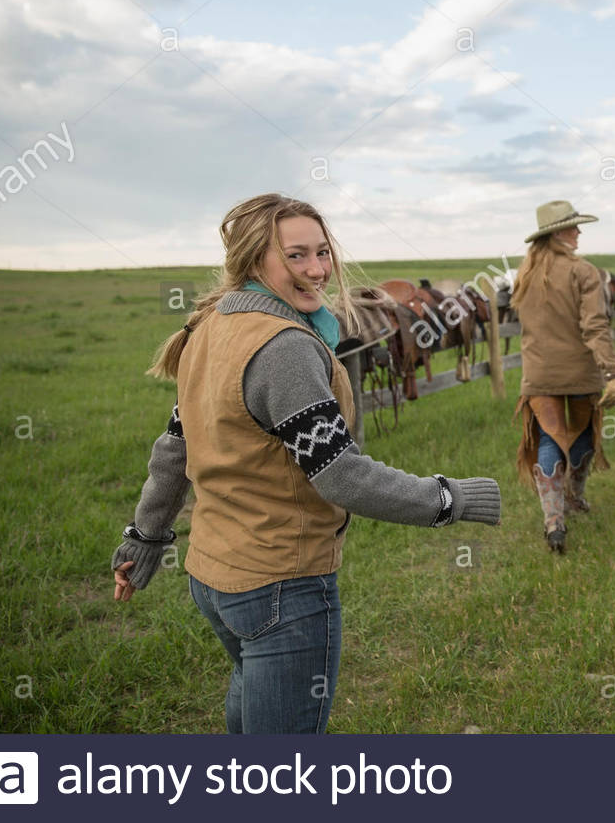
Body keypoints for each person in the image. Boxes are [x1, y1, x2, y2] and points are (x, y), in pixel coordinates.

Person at [110, 194, 502, 734]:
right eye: (296, 256)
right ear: (253, 260)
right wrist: (451, 497)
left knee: (250, 710)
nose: (317, 269)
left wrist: (146, 536)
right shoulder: (285, 347)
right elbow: (340, 474)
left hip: (215, 575)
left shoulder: (208, 327)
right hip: (279, 583)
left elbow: (176, 446)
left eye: (322, 252)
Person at [512, 200, 615, 553]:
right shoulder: (584, 272)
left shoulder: (525, 273)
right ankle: (574, 498)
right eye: (573, 227)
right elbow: (595, 326)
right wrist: (613, 372)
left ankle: (553, 520)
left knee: (548, 439)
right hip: (579, 374)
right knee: (582, 437)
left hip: (538, 376)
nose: (579, 232)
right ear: (559, 232)